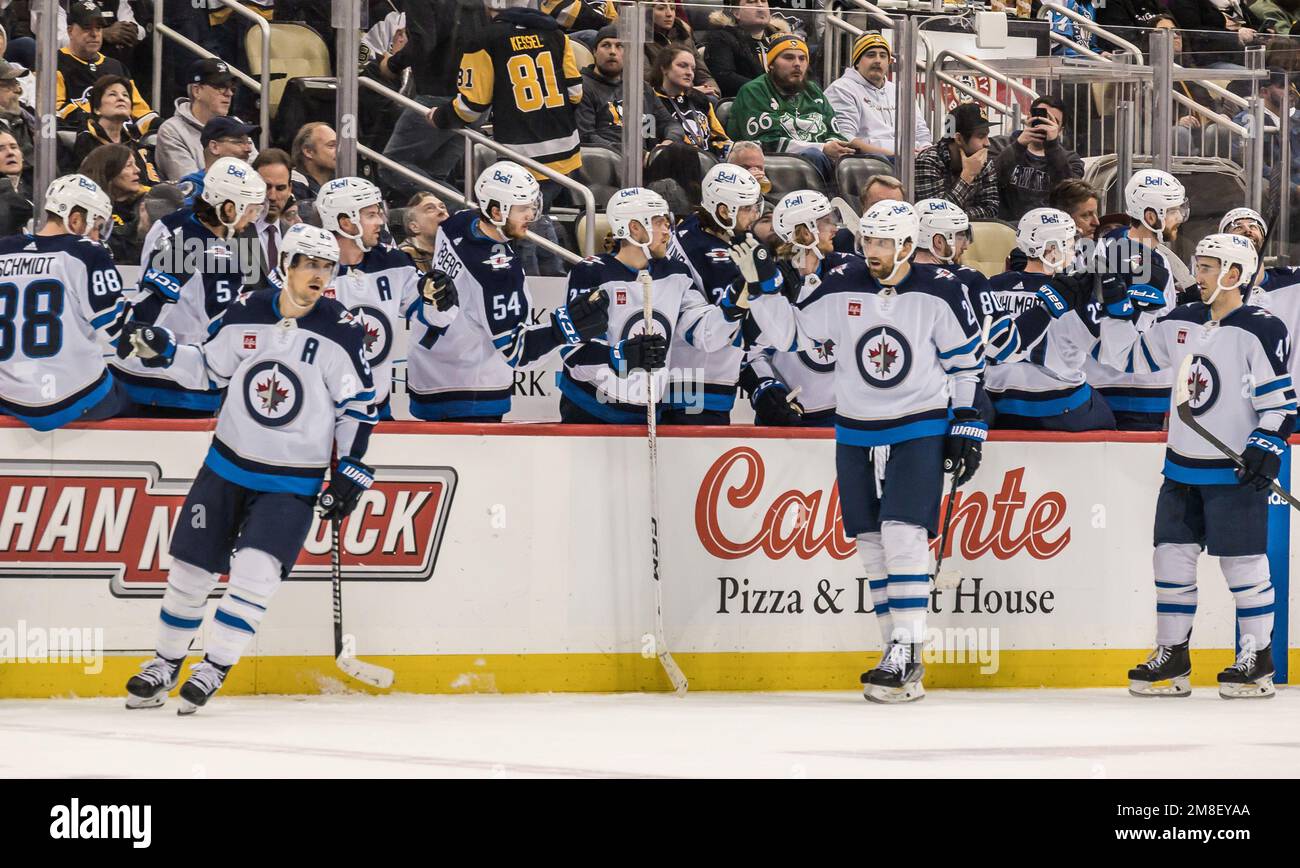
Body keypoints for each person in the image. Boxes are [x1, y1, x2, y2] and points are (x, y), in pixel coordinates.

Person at [119, 224, 379, 714]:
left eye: (327, 267)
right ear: (287, 264)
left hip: (291, 480)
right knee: (191, 571)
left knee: (256, 573)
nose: (320, 275)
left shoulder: (341, 328)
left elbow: (359, 407)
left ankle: (214, 666)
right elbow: (209, 370)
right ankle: (164, 663)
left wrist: (352, 467)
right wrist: (168, 352)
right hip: (225, 466)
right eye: (310, 265)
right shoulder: (246, 311)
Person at [740, 199, 986, 703]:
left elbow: (965, 365)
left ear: (905, 245)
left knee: (902, 531)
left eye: (881, 242)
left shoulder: (941, 290)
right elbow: (791, 335)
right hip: (853, 428)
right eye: (867, 240)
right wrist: (765, 288)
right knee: (871, 540)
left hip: (918, 424)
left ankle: (907, 646)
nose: (870, 250)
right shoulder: (842, 282)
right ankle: (895, 654)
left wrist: (966, 422)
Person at [1095, 232, 1290, 699]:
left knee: (1243, 565)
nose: (1196, 275)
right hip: (1181, 467)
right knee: (1171, 559)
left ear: (1234, 273)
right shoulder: (1180, 320)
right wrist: (1121, 312)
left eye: (1205, 267)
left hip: (1233, 470)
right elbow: (1121, 359)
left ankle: (1257, 657)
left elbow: (1281, 404)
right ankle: (1172, 655)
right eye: (1198, 265)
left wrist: (1267, 444)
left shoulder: (1263, 327)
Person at [405, 162, 608, 421]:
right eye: (522, 208)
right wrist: (566, 327)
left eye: (532, 206)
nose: (531, 215)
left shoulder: (455, 223)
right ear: (495, 211)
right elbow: (518, 353)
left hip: (427, 370)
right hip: (471, 392)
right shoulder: (499, 273)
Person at [554, 186, 748, 423]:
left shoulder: (675, 273)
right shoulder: (592, 272)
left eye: (668, 223)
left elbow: (703, 334)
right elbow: (574, 353)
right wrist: (622, 356)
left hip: (645, 415)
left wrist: (737, 301)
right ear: (634, 227)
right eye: (660, 222)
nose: (668, 230)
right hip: (591, 409)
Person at [114, 157, 266, 415]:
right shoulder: (199, 249)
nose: (252, 219)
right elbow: (152, 306)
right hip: (175, 383)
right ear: (229, 209)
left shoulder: (171, 222)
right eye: (251, 210)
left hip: (157, 373)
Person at [314, 177, 460, 419]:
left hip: (377, 411)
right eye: (371, 215)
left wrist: (440, 298)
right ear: (345, 222)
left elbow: (435, 318)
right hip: (319, 414)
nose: (380, 221)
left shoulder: (393, 262)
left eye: (379, 213)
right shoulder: (306, 269)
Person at [0, 174, 129, 430]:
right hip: (79, 397)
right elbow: (119, 331)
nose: (97, 235)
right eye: (96, 225)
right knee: (136, 391)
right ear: (76, 219)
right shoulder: (88, 253)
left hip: (6, 396)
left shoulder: (3, 250)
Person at [432, 0, 584, 206]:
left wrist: (439, 117)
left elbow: (472, 106)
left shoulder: (483, 40)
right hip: (566, 150)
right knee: (537, 217)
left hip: (520, 154)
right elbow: (575, 93)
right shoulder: (555, 34)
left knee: (523, 223)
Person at [985, 208, 1116, 431]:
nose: (1075, 250)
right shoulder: (1073, 292)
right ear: (1052, 248)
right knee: (1107, 414)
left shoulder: (991, 285)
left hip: (999, 402)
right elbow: (1109, 352)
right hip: (1057, 406)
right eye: (1070, 243)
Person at [664, 164, 765, 424]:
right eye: (746, 208)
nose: (754, 214)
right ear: (723, 211)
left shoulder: (694, 226)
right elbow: (727, 325)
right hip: (699, 383)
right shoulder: (709, 255)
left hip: (694, 379)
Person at [1086, 170, 1186, 430]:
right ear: (1151, 217)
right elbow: (1135, 334)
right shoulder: (1143, 263)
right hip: (1136, 391)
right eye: (1173, 211)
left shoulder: (1109, 246)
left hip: (1097, 384)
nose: (1179, 218)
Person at [740, 190, 846, 427]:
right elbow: (750, 352)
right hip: (792, 420)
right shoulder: (766, 282)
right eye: (827, 221)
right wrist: (766, 389)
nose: (835, 228)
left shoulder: (848, 272)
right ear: (806, 231)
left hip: (846, 417)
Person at [725, 33, 852, 181]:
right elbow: (765, 142)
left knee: (863, 161)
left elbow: (833, 131)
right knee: (814, 155)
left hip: (819, 160)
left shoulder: (813, 91)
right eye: (789, 57)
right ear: (771, 63)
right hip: (771, 168)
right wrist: (822, 148)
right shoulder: (754, 91)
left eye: (802, 58)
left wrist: (837, 148)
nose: (797, 64)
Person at [1221, 207, 1300, 384]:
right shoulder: (1218, 295)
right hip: (1238, 399)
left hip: (1293, 400)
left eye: (1254, 226)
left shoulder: (1293, 281)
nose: (1248, 229)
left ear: (1263, 238)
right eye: (1237, 227)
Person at [55, 2, 158, 135]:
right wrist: (101, 116)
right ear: (70, 31)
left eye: (98, 28)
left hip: (124, 141)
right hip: (81, 141)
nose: (94, 34)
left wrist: (160, 125)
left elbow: (140, 111)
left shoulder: (116, 67)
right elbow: (55, 110)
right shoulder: (55, 63)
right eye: (87, 28)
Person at [824, 32, 932, 159]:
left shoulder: (900, 92)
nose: (877, 61)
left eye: (883, 56)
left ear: (889, 62)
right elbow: (845, 138)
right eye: (870, 55)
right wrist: (893, 155)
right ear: (857, 62)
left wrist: (927, 153)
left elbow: (921, 132)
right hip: (869, 160)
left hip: (911, 158)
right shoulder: (841, 89)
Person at [576, 25, 682, 152]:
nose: (612, 51)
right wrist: (633, 154)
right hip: (604, 161)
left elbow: (670, 124)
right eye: (606, 45)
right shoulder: (582, 86)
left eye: (619, 46)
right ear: (594, 51)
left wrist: (668, 142)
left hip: (644, 160)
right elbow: (586, 136)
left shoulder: (641, 87)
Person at [155, 58, 256, 183]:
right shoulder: (172, 130)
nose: (229, 93)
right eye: (221, 87)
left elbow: (258, 173)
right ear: (197, 91)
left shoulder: (236, 124)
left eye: (231, 88)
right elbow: (190, 186)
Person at [993, 95, 1084, 221]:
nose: (1046, 125)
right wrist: (1018, 145)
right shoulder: (1000, 145)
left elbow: (1070, 196)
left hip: (1050, 229)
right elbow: (990, 180)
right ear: (1029, 118)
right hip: (1006, 229)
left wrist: (1052, 146)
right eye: (1043, 119)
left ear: (1060, 130)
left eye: (1053, 122)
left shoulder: (1070, 159)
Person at [914, 102, 999, 220]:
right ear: (959, 138)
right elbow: (935, 217)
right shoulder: (927, 161)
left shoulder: (983, 161)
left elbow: (991, 210)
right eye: (981, 136)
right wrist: (967, 176)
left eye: (987, 136)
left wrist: (958, 216)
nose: (987, 143)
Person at [70, 74, 160, 184]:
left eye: (125, 95)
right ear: (96, 108)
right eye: (112, 94)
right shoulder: (85, 140)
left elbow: (152, 184)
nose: (121, 98)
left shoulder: (137, 144)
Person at [652, 45, 731, 160]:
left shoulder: (700, 99)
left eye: (693, 69)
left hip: (709, 162)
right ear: (664, 68)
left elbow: (720, 138)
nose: (690, 73)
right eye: (682, 66)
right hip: (673, 162)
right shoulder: (650, 101)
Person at [703, 0, 790, 99]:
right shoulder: (722, 37)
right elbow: (724, 77)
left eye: (764, 1)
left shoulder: (782, 38)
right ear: (736, 13)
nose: (760, 5)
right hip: (748, 101)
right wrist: (768, 89)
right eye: (751, 1)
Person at [78, 142, 149, 263]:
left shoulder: (148, 202)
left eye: (135, 164)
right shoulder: (85, 206)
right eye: (128, 165)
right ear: (108, 170)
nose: (137, 170)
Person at [177, 116, 260, 205]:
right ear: (214, 147)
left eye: (249, 142)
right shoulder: (193, 192)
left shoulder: (250, 191)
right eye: (239, 142)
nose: (248, 149)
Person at [646, 1, 717, 95]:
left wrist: (712, 89)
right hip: (660, 97)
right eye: (661, 8)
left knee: (712, 99)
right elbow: (646, 79)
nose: (669, 14)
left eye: (672, 8)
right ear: (646, 11)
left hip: (691, 94)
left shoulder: (684, 36)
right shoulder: (641, 40)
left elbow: (702, 73)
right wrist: (690, 92)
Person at [832, 173, 904, 253]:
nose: (885, 213)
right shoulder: (838, 241)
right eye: (877, 206)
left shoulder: (913, 242)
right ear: (863, 208)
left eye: (893, 207)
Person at [251, 148, 294, 283]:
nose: (272, 196)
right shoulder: (234, 234)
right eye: (266, 187)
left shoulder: (294, 235)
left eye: (280, 188)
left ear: (290, 189)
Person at [398, 191, 449, 274]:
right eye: (430, 208)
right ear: (415, 227)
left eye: (442, 207)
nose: (441, 211)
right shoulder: (402, 257)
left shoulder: (456, 247)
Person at [290, 122, 337, 206]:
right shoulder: (295, 185)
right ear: (308, 151)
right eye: (331, 145)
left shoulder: (338, 183)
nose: (339, 151)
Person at [0, 60, 34, 166]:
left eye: (16, 83)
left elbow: (60, 162)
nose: (18, 90)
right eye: (7, 86)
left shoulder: (31, 121)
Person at [0, 129, 32, 236]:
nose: (10, 153)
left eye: (14, 147)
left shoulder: (38, 189)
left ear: (22, 157)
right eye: (1, 149)